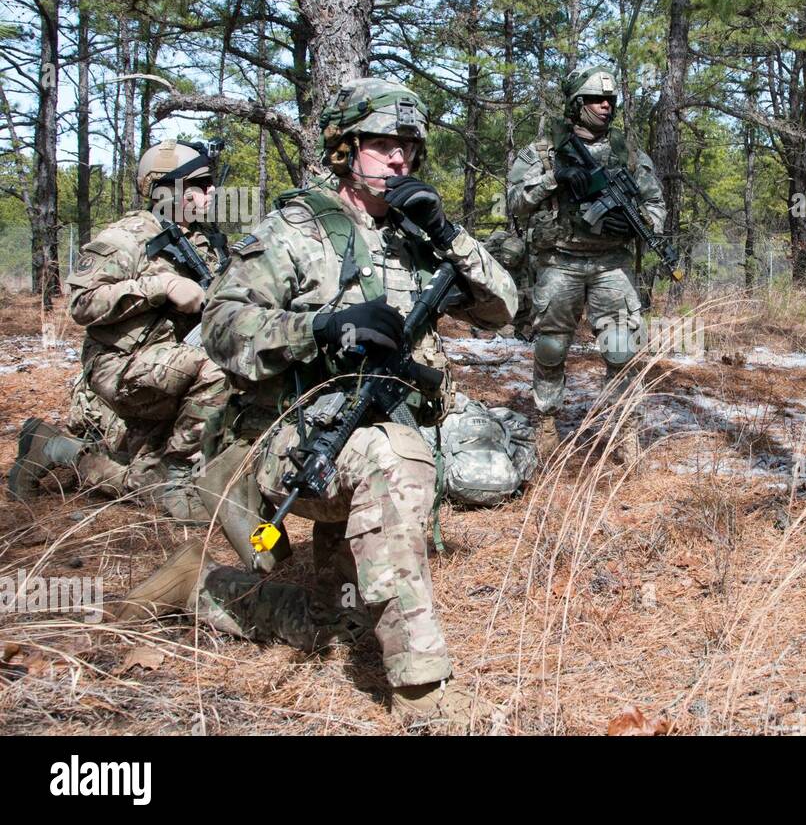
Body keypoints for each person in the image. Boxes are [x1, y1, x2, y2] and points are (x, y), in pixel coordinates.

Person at [118, 77, 517, 729]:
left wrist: (446, 230)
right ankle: (425, 695)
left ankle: (203, 588)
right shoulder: (295, 231)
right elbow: (220, 329)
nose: (399, 159)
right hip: (287, 442)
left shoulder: (419, 236)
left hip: (366, 432)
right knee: (398, 458)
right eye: (383, 144)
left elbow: (504, 305)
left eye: (409, 147)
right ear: (344, 149)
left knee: (341, 625)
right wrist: (320, 329)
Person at [8, 140, 230, 520]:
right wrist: (160, 287)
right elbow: (81, 303)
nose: (212, 192)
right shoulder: (126, 238)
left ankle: (55, 447)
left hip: (173, 369)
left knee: (145, 482)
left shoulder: (206, 241)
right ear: (168, 189)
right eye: (201, 183)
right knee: (219, 371)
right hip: (121, 365)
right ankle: (182, 479)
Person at [505, 65, 666, 461]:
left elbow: (656, 206)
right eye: (596, 99)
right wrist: (553, 180)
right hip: (559, 262)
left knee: (621, 347)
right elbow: (515, 204)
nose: (605, 106)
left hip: (611, 264)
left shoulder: (627, 154)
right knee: (551, 346)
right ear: (577, 104)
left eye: (610, 100)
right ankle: (546, 422)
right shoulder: (542, 153)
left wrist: (636, 223)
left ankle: (623, 429)